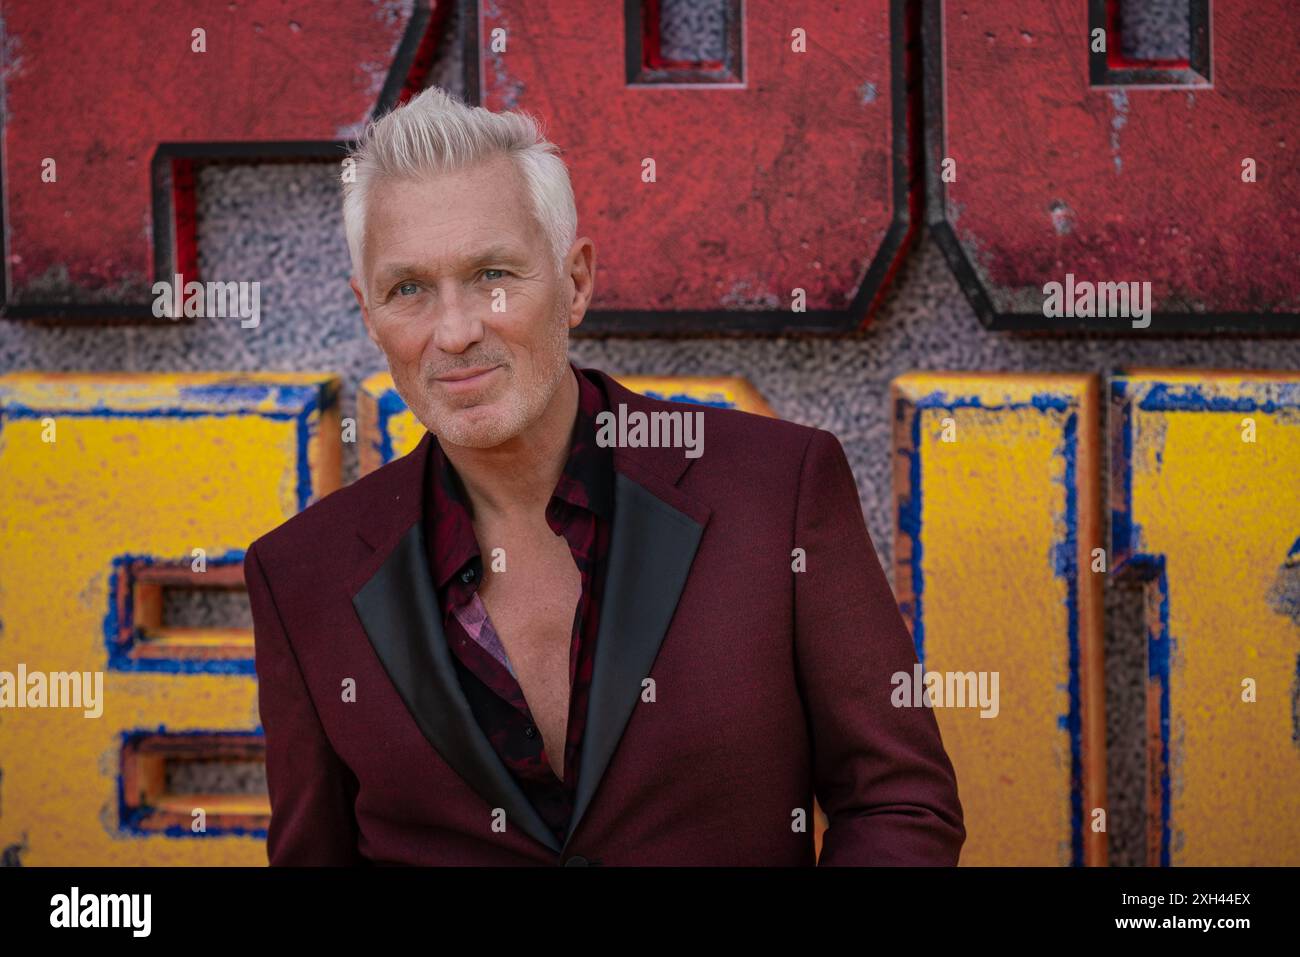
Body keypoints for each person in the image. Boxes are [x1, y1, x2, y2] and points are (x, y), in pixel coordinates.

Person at [244, 86, 964, 865]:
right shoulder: (299, 577)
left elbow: (899, 801)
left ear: (576, 281)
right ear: (367, 313)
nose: (454, 331)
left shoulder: (777, 489)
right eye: (408, 288)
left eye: (493, 275)